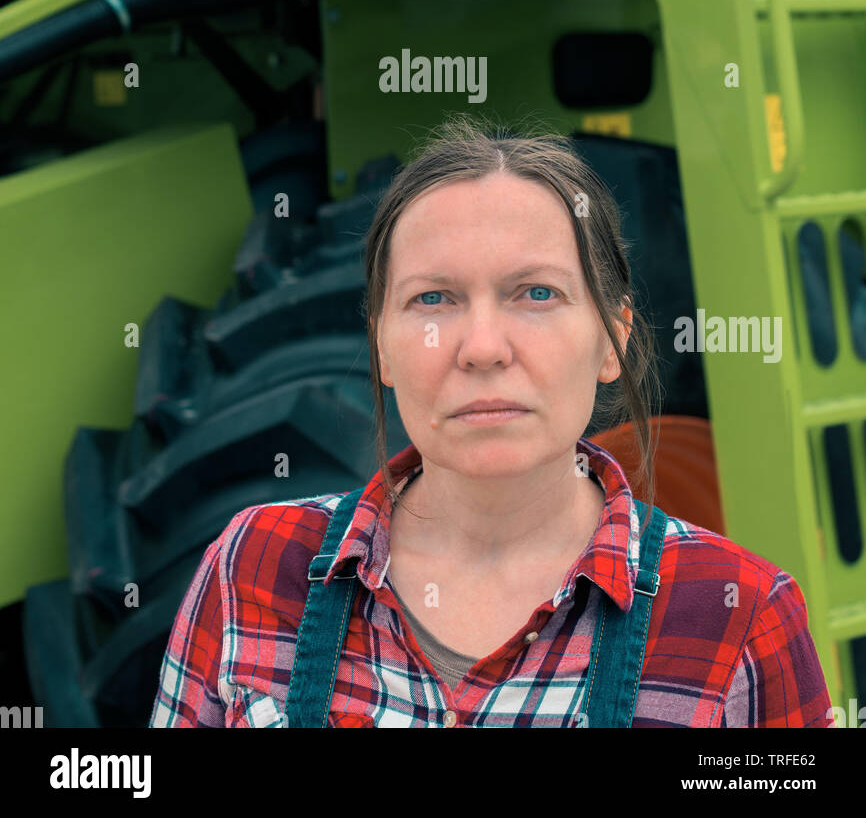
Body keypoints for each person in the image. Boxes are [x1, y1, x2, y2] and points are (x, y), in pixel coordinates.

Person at [150, 115, 834, 727]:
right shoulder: (254, 568)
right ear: (382, 344)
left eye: (537, 293)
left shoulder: (740, 617)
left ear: (612, 339)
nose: (481, 348)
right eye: (433, 298)